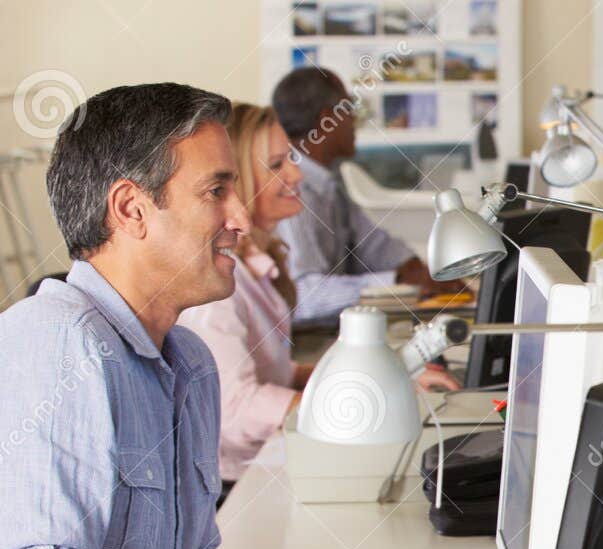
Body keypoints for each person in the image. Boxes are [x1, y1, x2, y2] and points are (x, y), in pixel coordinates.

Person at [0, 83, 336, 549]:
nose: (240, 218)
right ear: (131, 209)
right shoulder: (56, 344)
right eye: (216, 191)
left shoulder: (189, 361)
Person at [179, 104, 459, 484]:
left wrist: (376, 381)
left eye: (291, 160)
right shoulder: (222, 287)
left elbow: (280, 371)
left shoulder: (259, 264)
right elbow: (237, 408)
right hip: (239, 483)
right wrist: (348, 402)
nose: (296, 174)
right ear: (239, 181)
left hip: (273, 460)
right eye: (276, 165)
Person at [271, 67, 462, 322]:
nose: (355, 120)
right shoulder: (291, 192)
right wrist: (397, 280)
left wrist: (415, 269)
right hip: (308, 337)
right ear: (328, 118)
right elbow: (303, 295)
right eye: (349, 108)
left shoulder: (329, 184)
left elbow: (373, 244)